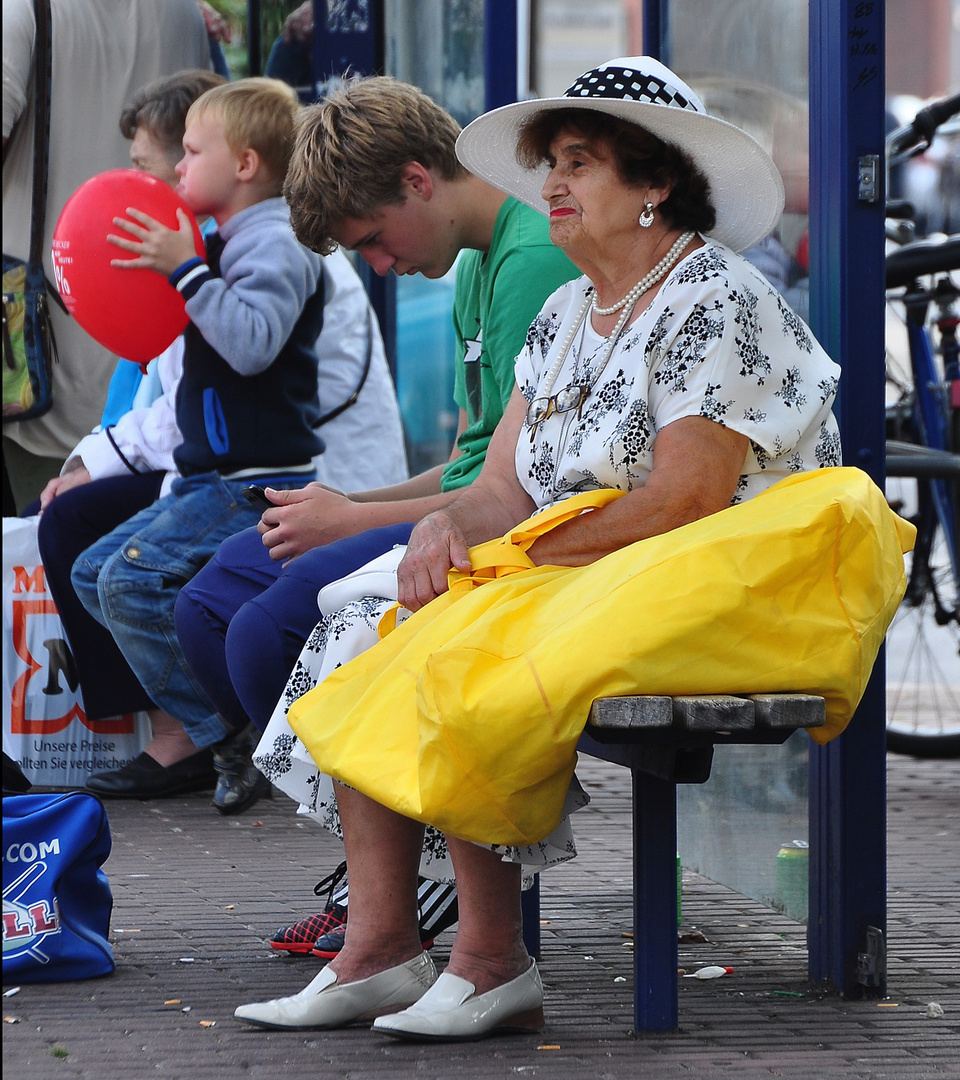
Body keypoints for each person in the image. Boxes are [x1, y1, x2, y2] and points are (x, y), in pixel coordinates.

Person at [234, 55, 843, 1039]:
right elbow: (502, 488)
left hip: (718, 591)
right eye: (550, 162)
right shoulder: (567, 314)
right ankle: (383, 948)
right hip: (606, 579)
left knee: (468, 637)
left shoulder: (716, 300)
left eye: (582, 163)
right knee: (370, 623)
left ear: (656, 185)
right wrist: (445, 526)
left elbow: (686, 503)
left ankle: (489, 958)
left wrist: (507, 557)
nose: (551, 185)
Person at [165, 74, 577, 942]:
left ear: (420, 181)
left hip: (518, 537)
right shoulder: (476, 261)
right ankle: (394, 861)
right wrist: (350, 504)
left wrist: (349, 521)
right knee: (211, 605)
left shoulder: (532, 257)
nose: (382, 267)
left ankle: (418, 871)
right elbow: (474, 459)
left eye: (376, 241)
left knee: (264, 631)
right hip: (475, 509)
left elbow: (518, 490)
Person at [35, 69, 405, 805]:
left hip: (251, 479)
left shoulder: (277, 244)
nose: (176, 168)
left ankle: (232, 733)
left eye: (191, 152)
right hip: (211, 474)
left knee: (127, 578)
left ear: (244, 166)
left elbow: (251, 345)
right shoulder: (224, 242)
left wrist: (187, 271)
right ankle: (223, 731)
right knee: (91, 571)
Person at [2, 0, 212, 515]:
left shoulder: (23, 12)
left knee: (39, 543)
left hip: (41, 346)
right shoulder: (184, 12)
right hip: (161, 340)